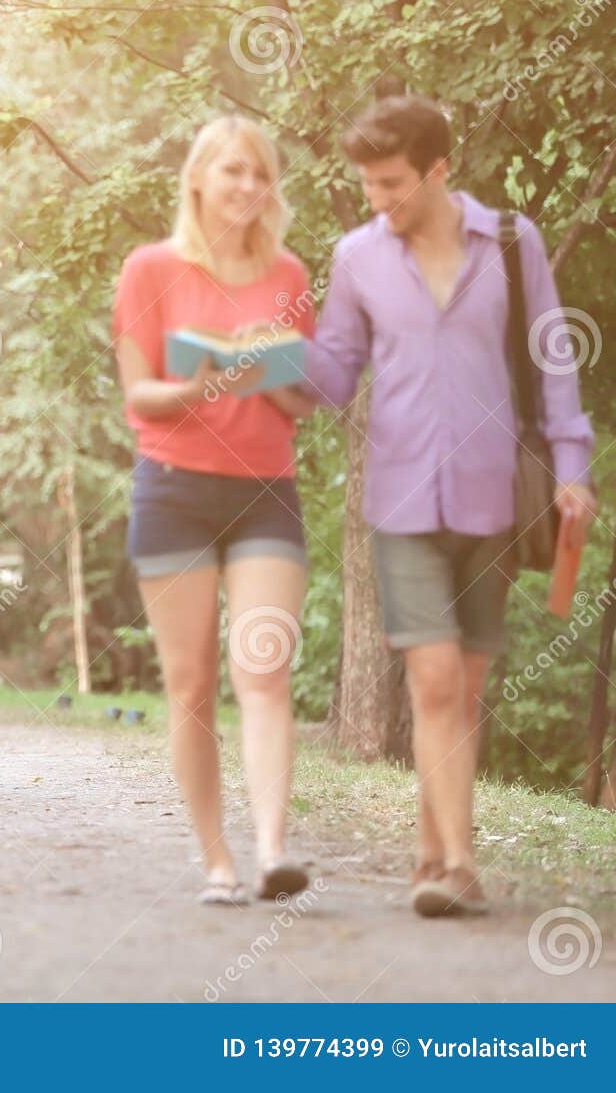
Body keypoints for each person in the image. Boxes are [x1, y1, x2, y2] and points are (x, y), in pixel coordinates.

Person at [303, 95, 597, 917]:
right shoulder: (356, 257)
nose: (378, 200)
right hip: (400, 499)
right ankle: (461, 867)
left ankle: (430, 857)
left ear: (440, 168)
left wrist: (573, 466)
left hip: (493, 496)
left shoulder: (511, 242)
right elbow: (334, 374)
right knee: (432, 679)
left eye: (392, 183)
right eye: (366, 184)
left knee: (463, 688)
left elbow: (553, 359)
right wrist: (265, 361)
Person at [111, 115, 318, 905]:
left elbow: (305, 399)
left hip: (267, 490)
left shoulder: (288, 273)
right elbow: (140, 393)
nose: (248, 187)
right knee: (192, 683)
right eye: (233, 171)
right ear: (198, 176)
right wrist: (201, 386)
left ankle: (272, 853)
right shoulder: (150, 268)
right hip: (173, 491)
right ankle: (217, 858)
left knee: (263, 666)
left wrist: (277, 370)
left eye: (260, 175)